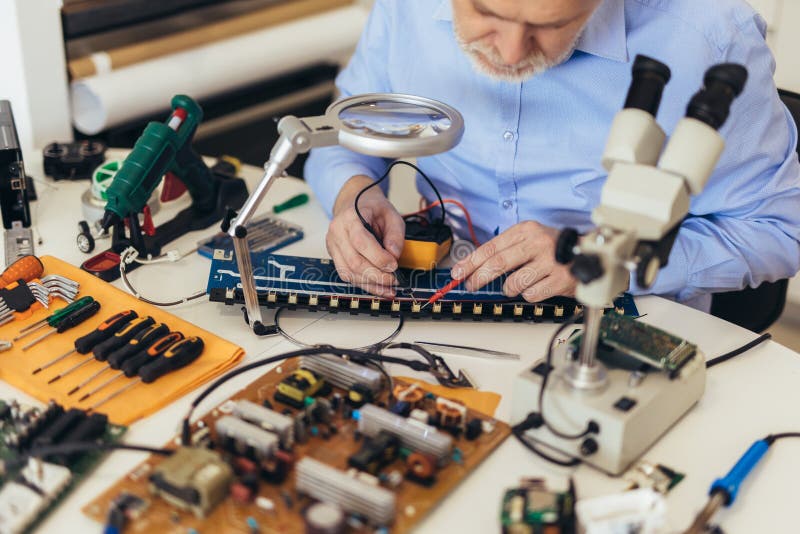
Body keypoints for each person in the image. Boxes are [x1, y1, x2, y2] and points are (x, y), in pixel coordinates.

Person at [304, 0, 800, 311]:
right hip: (440, 299)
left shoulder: (710, 38)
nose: (514, 53)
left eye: (554, 23)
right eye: (487, 13)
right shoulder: (404, 8)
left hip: (631, 315)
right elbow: (342, 136)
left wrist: (609, 262)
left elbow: (782, 229)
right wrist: (350, 194)